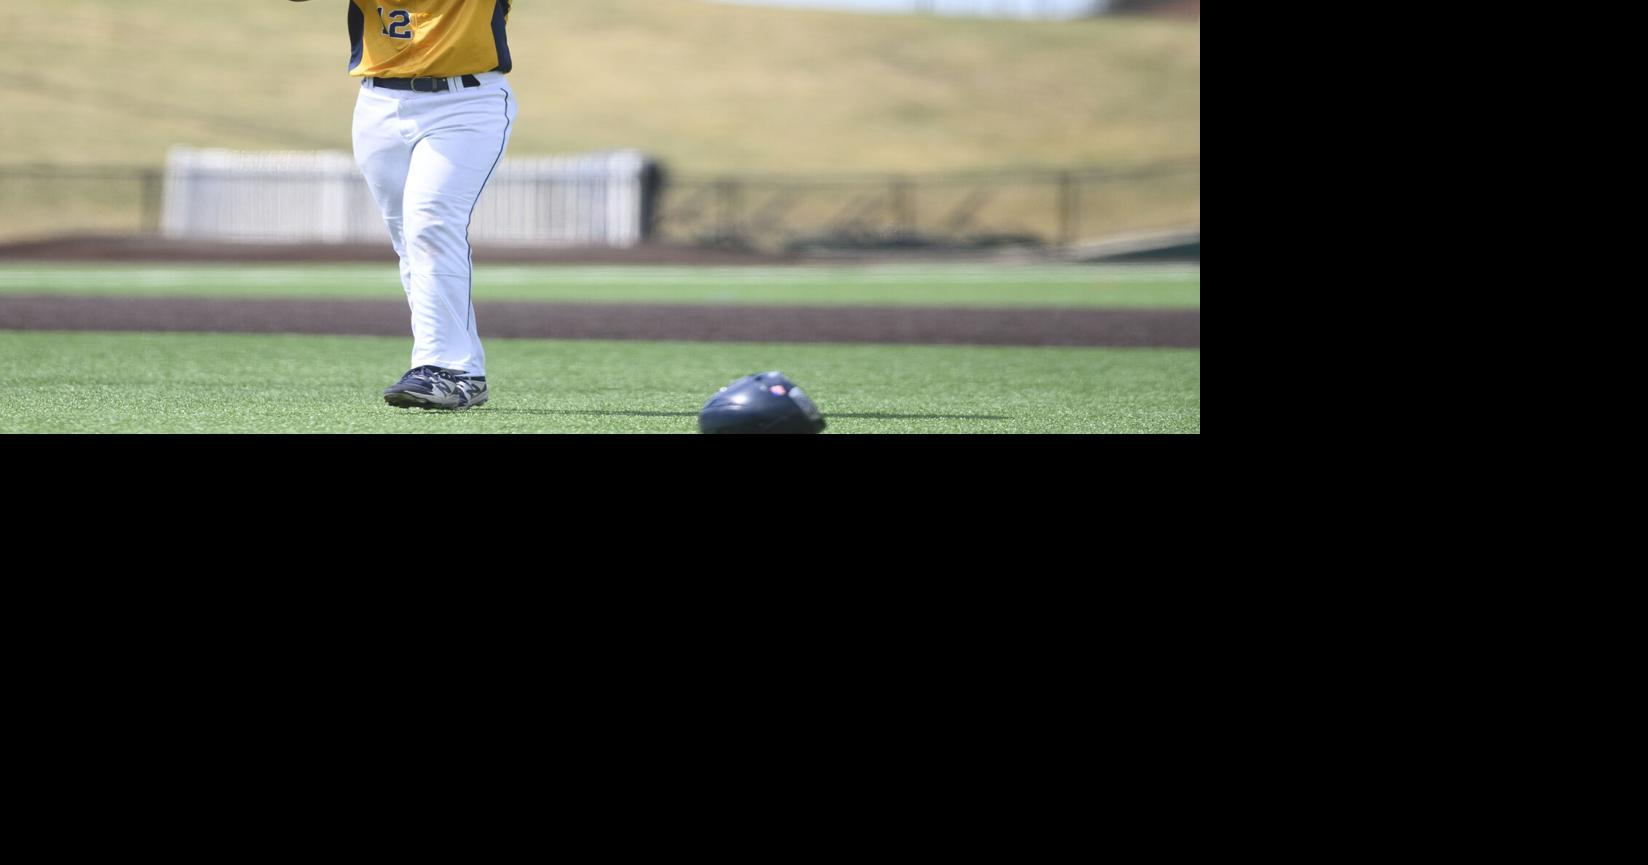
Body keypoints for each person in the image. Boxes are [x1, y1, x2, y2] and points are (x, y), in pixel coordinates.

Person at [290, 0, 518, 410]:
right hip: (379, 103)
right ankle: (459, 372)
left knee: (430, 224)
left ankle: (446, 367)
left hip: (467, 103)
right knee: (409, 241)